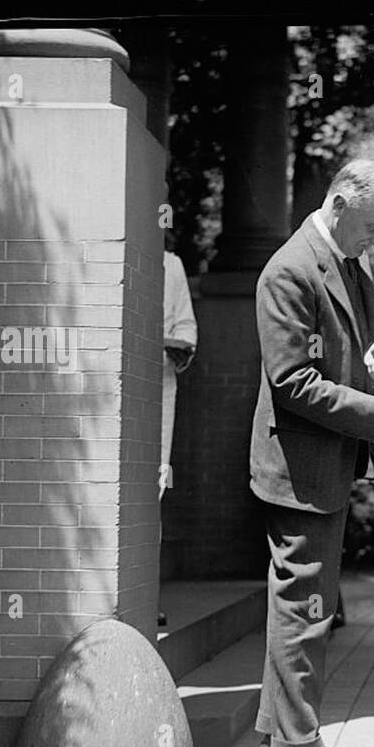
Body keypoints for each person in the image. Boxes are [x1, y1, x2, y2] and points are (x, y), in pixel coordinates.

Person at [251, 160, 374, 747]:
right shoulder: (289, 271)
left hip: (321, 466)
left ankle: (280, 741)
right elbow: (294, 382)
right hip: (299, 472)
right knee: (304, 608)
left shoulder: (344, 262)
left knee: (300, 605)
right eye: (372, 227)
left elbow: (365, 342)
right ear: (336, 204)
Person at [158, 237, 199, 628]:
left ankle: (146, 592)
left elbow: (186, 328)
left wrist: (178, 345)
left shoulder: (171, 265)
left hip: (159, 386)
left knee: (153, 487)